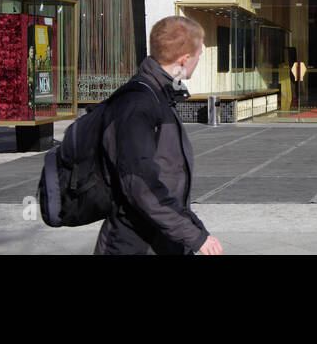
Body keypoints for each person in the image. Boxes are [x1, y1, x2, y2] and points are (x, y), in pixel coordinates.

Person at [94, 15, 223, 255]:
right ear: (184, 60)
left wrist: (193, 231)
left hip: (163, 238)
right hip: (135, 245)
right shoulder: (137, 103)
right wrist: (194, 236)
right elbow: (140, 184)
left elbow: (167, 179)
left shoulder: (160, 96)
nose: (199, 60)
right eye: (199, 55)